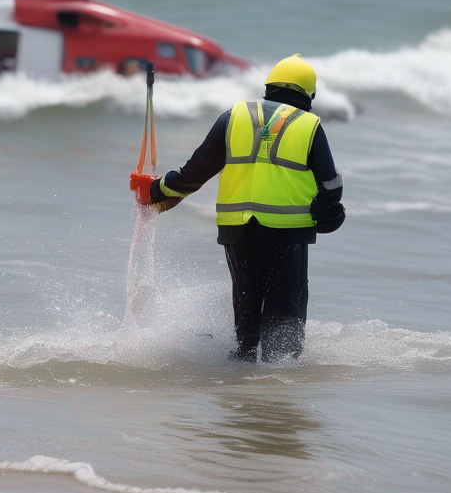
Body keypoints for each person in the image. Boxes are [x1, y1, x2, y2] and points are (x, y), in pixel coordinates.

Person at [148, 54, 345, 362]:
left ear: (268, 88)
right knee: (285, 311)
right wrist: (330, 209)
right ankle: (276, 386)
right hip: (287, 234)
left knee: (246, 301)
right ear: (309, 95)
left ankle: (242, 368)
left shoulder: (234, 116)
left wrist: (156, 190)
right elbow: (332, 187)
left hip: (237, 231)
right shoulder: (308, 125)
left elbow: (194, 173)